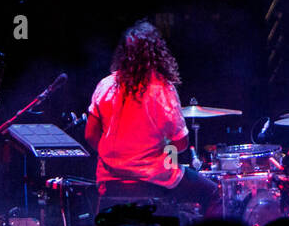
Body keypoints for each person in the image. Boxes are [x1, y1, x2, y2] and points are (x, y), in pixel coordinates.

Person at [86, 21, 219, 214]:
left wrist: (116, 157)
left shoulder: (105, 85)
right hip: (153, 177)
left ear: (123, 53)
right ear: (155, 53)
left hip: (110, 179)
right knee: (213, 192)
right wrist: (164, 153)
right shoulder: (162, 88)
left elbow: (90, 135)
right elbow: (180, 143)